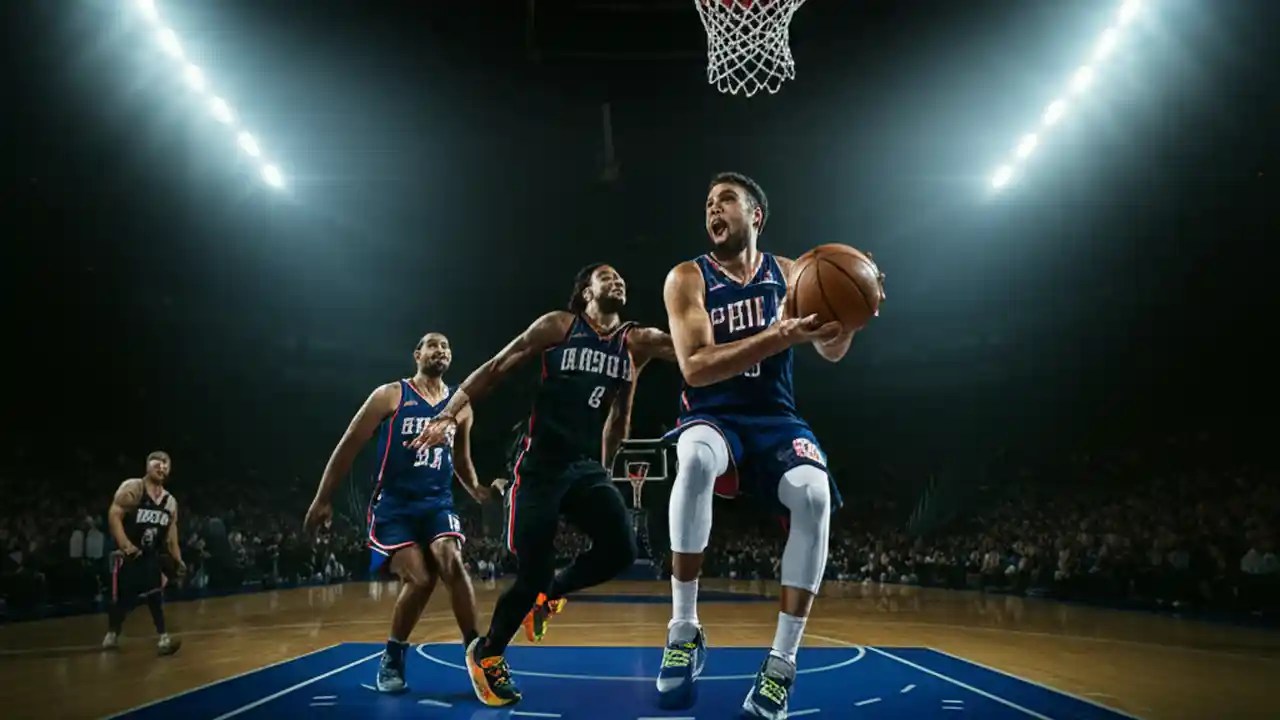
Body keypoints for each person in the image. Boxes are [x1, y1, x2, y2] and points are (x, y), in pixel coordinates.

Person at [657, 172, 884, 718]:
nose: (714, 209)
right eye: (708, 202)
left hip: (776, 417)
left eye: (726, 201)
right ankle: (683, 629)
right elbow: (695, 369)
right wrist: (777, 335)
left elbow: (831, 352)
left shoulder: (794, 274)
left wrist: (852, 313)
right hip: (714, 413)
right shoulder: (688, 278)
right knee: (692, 461)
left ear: (755, 216)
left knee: (813, 497)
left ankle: (781, 664)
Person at [410, 263, 675, 707]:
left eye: (620, 276)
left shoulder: (635, 343)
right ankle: (488, 653)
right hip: (539, 467)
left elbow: (623, 413)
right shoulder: (560, 326)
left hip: (585, 466)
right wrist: (447, 413)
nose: (617, 280)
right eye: (605, 276)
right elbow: (497, 366)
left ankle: (551, 594)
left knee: (622, 548)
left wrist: (604, 476)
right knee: (531, 572)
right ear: (585, 291)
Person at [304, 332, 492, 694]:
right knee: (420, 580)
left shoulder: (460, 405)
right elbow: (349, 443)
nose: (441, 350)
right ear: (417, 354)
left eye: (447, 346)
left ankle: (479, 654)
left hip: (437, 503)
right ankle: (393, 655)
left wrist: (479, 491)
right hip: (394, 507)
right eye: (433, 344)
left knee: (451, 560)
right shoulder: (390, 395)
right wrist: (323, 497)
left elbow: (462, 462)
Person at [103, 450, 185, 656]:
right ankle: (113, 631)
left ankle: (163, 638)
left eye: (166, 465)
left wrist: (178, 560)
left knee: (155, 593)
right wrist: (125, 545)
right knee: (125, 601)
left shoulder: (170, 502)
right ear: (148, 466)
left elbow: (171, 536)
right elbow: (114, 515)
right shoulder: (134, 488)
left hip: (150, 556)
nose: (162, 468)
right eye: (158, 464)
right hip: (128, 555)